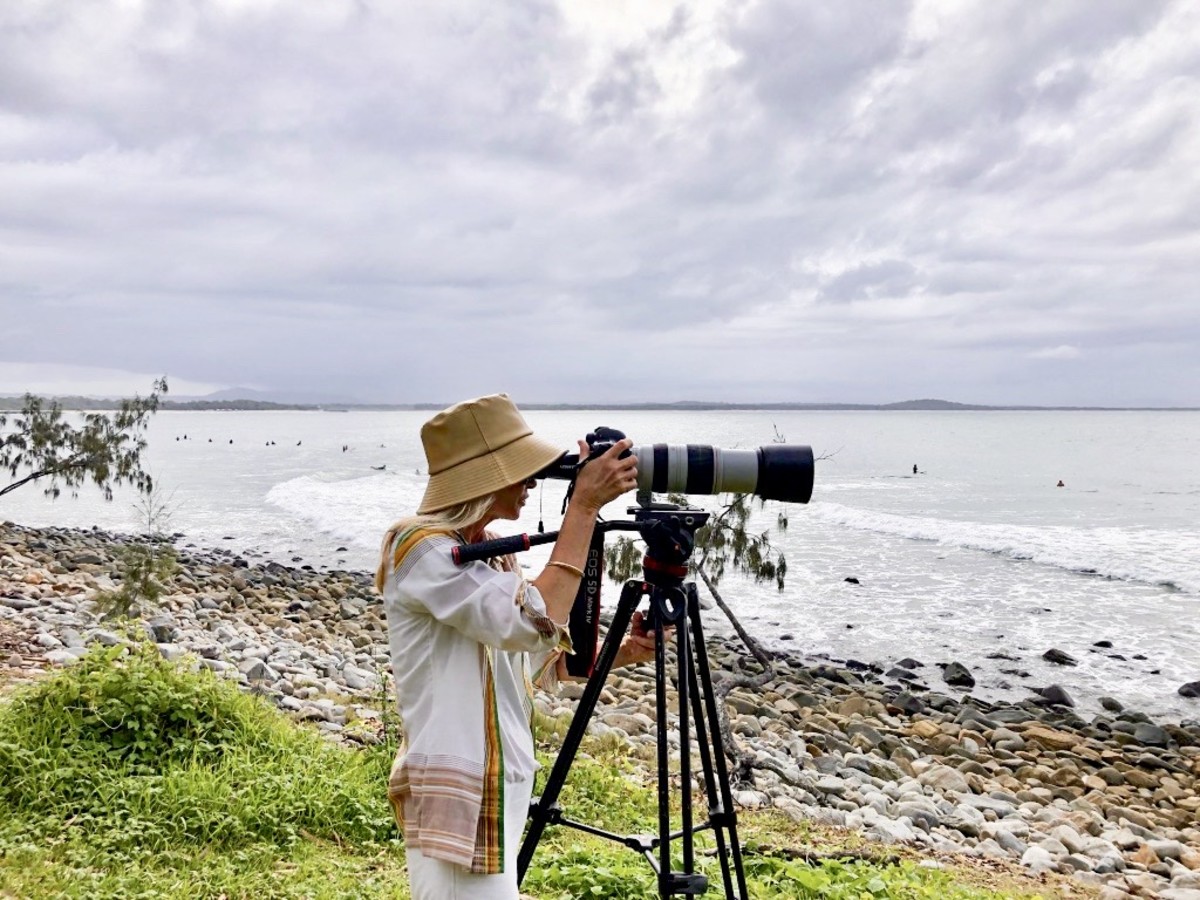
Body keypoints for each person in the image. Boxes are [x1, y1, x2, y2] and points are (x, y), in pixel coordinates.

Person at [375, 394, 660, 899]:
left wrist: (623, 651)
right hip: (458, 788)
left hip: (502, 782)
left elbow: (535, 661)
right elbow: (529, 622)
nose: (532, 483)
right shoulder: (421, 550)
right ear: (486, 474)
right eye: (522, 470)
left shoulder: (492, 561)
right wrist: (584, 508)